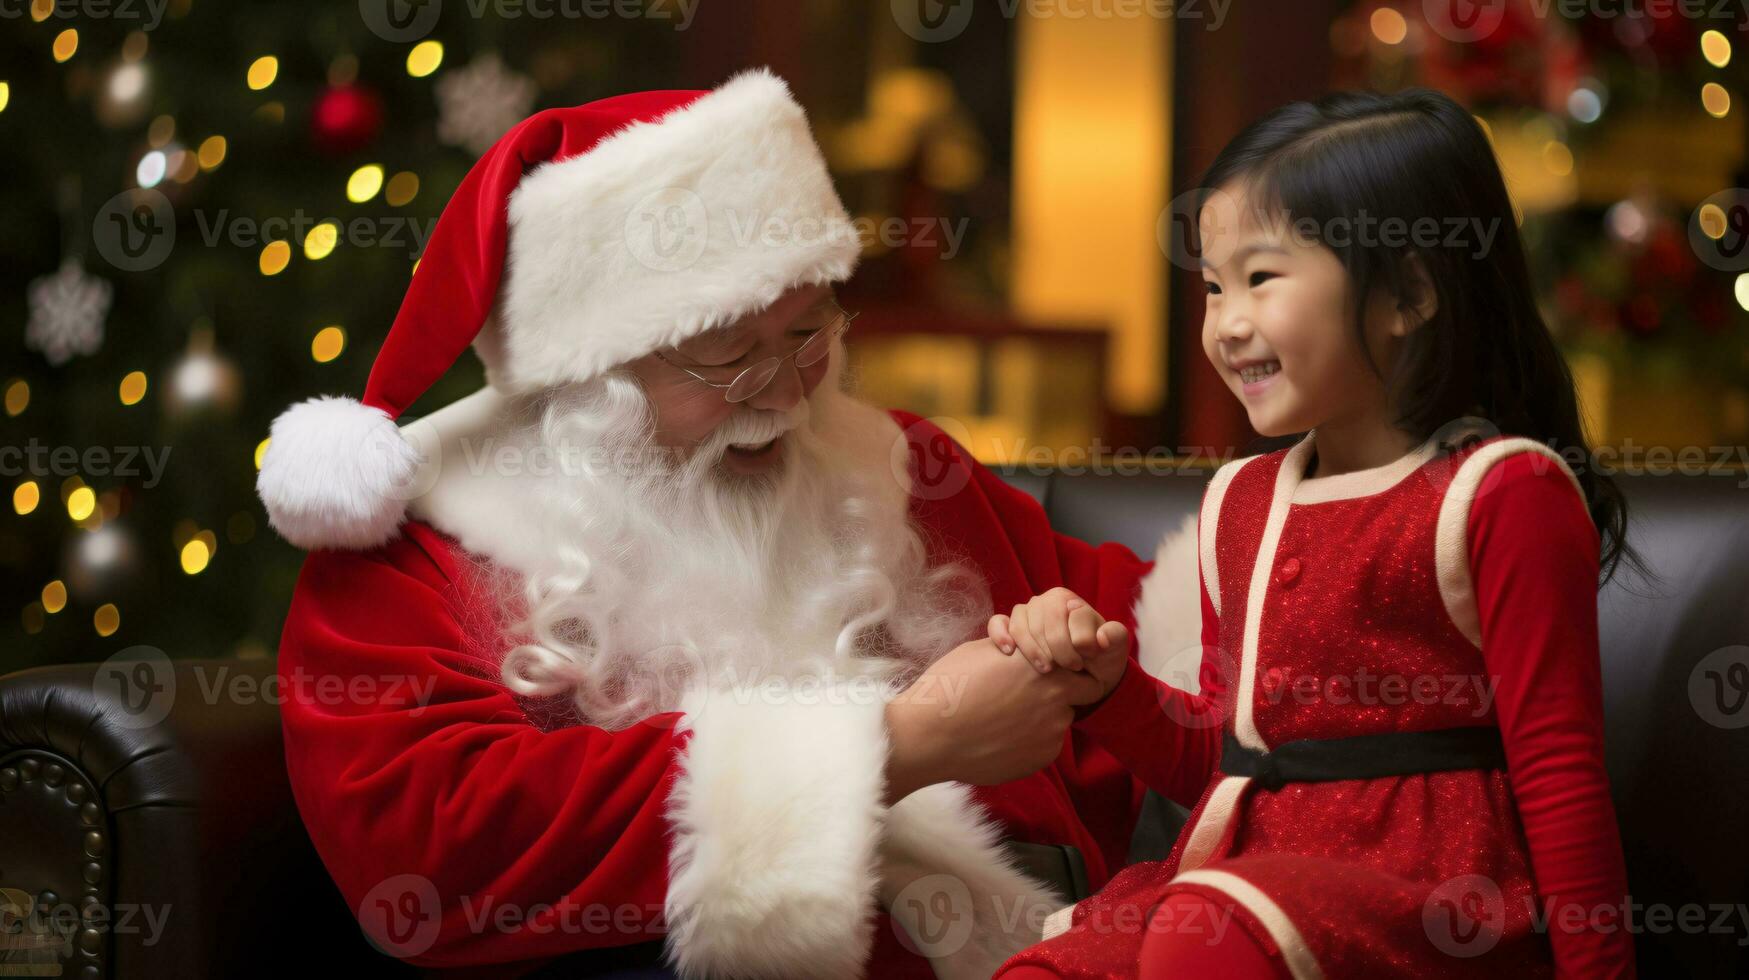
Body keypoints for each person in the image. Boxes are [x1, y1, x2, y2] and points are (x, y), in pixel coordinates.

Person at [255, 68, 1202, 979]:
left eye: (808, 334)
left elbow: (1177, 628)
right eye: (729, 358)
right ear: (590, 378)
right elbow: (427, 848)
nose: (787, 393)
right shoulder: (417, 545)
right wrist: (895, 744)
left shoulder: (897, 465)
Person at [987, 89, 1638, 978]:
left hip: (1433, 899)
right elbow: (1225, 763)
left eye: (1260, 279)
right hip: (1233, 889)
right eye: (1213, 288)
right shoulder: (1242, 500)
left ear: (1407, 291)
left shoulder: (1499, 491)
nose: (1227, 324)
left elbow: (1559, 778)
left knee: (1201, 934)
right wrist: (1109, 693)